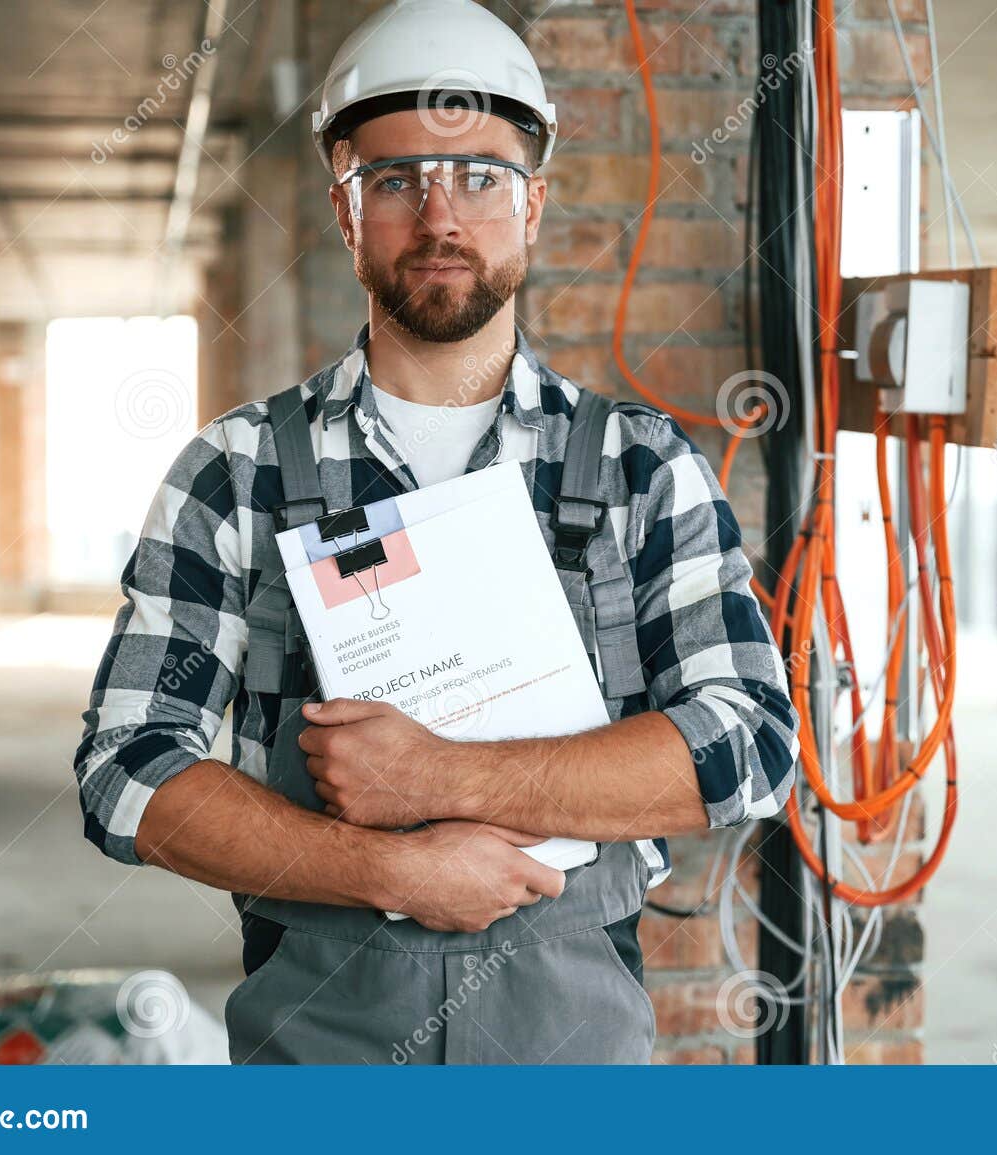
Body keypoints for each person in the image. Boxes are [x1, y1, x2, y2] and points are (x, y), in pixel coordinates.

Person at [72, 0, 798, 1064]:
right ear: (344, 208)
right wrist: (390, 870)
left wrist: (443, 780)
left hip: (572, 1052)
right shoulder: (236, 472)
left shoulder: (643, 467)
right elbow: (125, 769)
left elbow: (751, 743)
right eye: (396, 178)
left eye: (481, 177)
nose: (440, 214)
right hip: (319, 1051)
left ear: (535, 204)